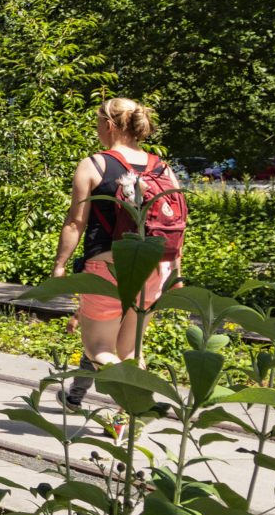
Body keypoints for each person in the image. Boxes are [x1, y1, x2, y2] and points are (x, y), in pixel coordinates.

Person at [51, 97, 180, 410]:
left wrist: (60, 266)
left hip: (107, 267)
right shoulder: (163, 168)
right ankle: (131, 418)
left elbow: (75, 222)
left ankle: (135, 404)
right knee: (132, 352)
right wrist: (175, 273)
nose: (97, 130)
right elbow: (176, 223)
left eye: (98, 123)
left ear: (108, 125)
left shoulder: (95, 164)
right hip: (153, 268)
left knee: (99, 348)